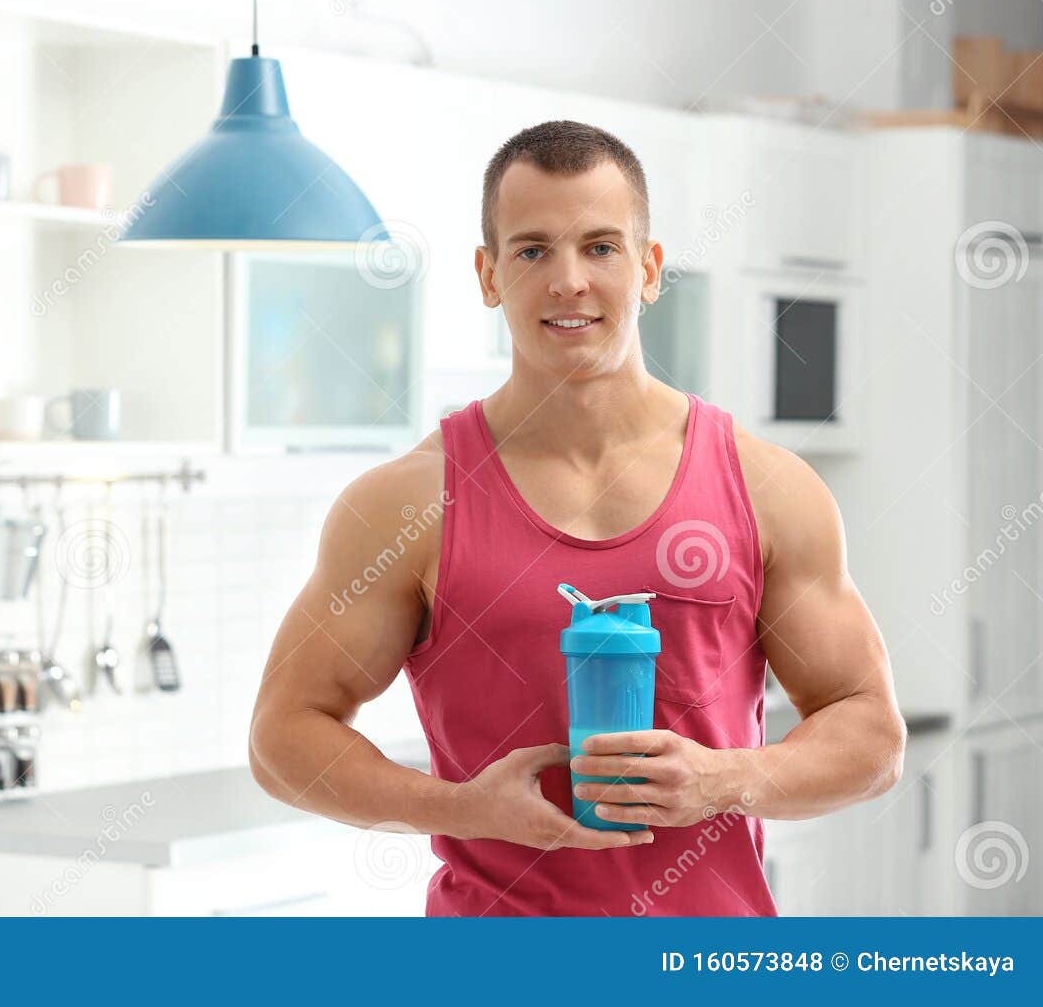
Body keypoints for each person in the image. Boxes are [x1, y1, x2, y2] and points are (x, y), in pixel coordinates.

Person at [248, 120, 907, 916]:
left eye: (600, 247)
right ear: (489, 274)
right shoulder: (409, 502)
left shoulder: (767, 487)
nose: (568, 281)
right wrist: (462, 807)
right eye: (532, 250)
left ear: (649, 268)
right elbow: (283, 736)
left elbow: (872, 734)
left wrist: (722, 778)